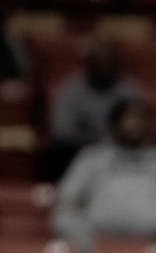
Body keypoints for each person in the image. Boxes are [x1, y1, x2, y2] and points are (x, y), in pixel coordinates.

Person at [53, 99, 156, 253]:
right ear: (114, 125)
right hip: (103, 220)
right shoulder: (92, 156)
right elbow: (67, 194)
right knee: (63, 218)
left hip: (152, 221)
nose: (135, 124)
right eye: (129, 119)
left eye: (140, 119)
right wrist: (74, 201)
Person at [45, 40, 141, 181]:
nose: (103, 66)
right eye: (99, 61)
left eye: (108, 62)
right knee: (57, 151)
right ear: (88, 63)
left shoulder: (128, 91)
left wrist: (90, 130)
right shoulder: (71, 89)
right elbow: (62, 130)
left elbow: (134, 127)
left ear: (116, 64)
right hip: (78, 150)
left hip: (117, 151)